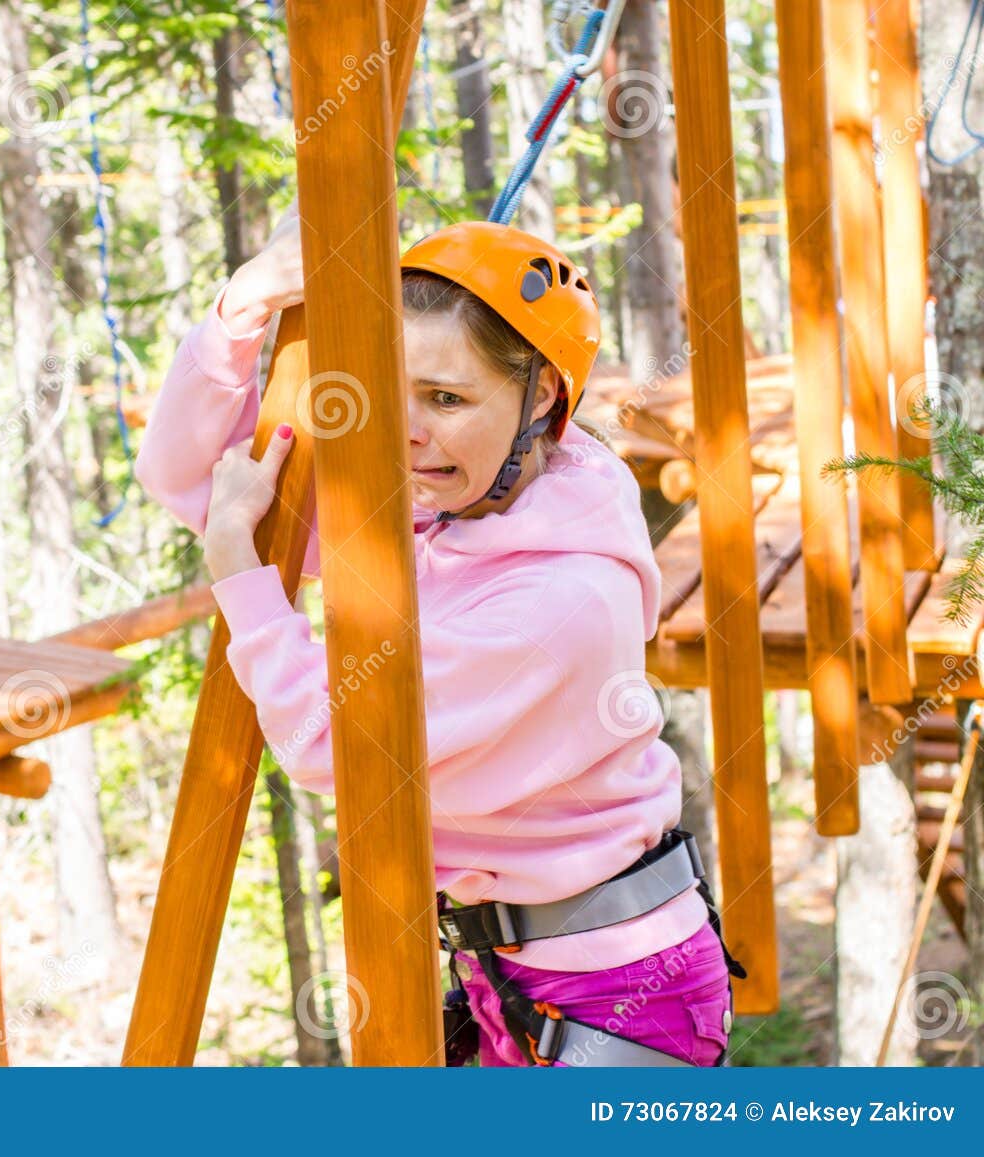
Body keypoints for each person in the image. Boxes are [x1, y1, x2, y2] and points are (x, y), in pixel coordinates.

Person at [134, 209, 745, 1067]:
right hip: (515, 975)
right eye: (394, 391)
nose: (409, 431)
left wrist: (245, 575)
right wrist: (249, 303)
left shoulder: (562, 600)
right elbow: (186, 476)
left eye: (447, 398)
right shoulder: (452, 507)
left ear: (540, 397)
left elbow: (336, 746)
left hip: (614, 995)